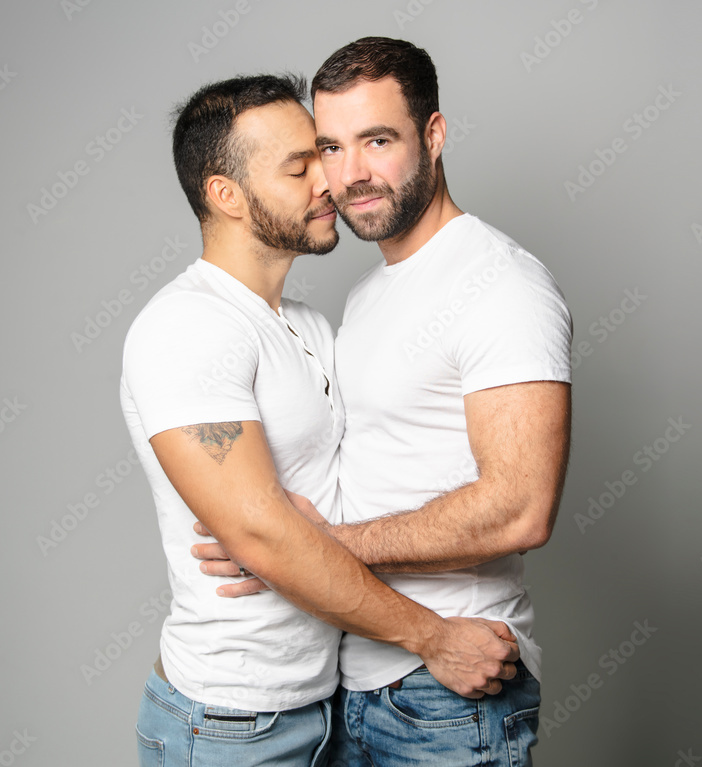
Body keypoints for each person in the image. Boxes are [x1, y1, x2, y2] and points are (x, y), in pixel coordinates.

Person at [120, 73, 522, 767]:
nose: (329, 182)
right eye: (299, 166)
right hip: (228, 720)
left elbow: (316, 512)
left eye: (323, 156)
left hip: (327, 706)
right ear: (226, 194)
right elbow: (262, 536)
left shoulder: (308, 325)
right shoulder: (186, 326)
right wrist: (432, 637)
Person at [197, 38, 573, 765]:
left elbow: (523, 506)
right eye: (331, 148)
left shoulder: (502, 285)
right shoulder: (369, 293)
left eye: (378, 140)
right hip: (355, 683)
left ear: (434, 134)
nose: (352, 175)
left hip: (454, 685)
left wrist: (316, 550)